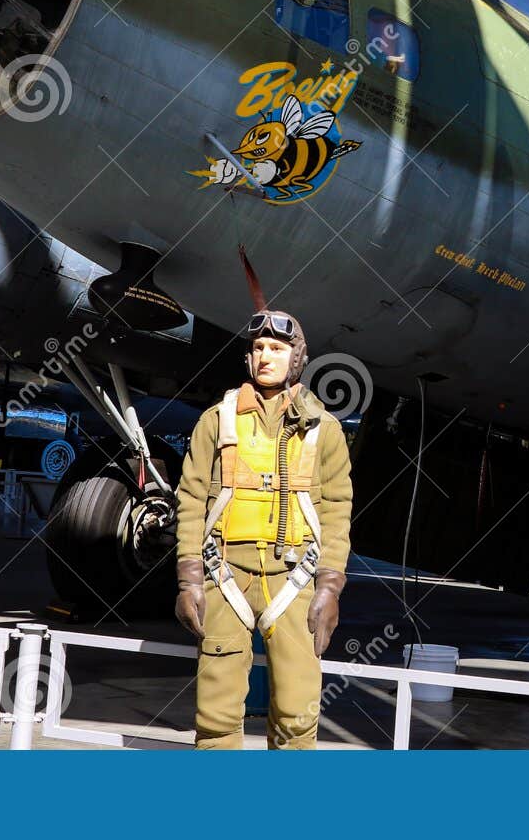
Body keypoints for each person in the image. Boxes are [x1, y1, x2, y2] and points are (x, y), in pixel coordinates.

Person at [173, 309, 352, 749]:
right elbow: (192, 498)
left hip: (294, 581)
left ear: (297, 357)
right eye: (258, 348)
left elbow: (337, 509)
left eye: (277, 348)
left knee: (297, 714)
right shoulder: (217, 421)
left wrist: (329, 586)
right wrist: (188, 577)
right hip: (224, 577)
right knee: (215, 716)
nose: (265, 356)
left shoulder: (323, 429)